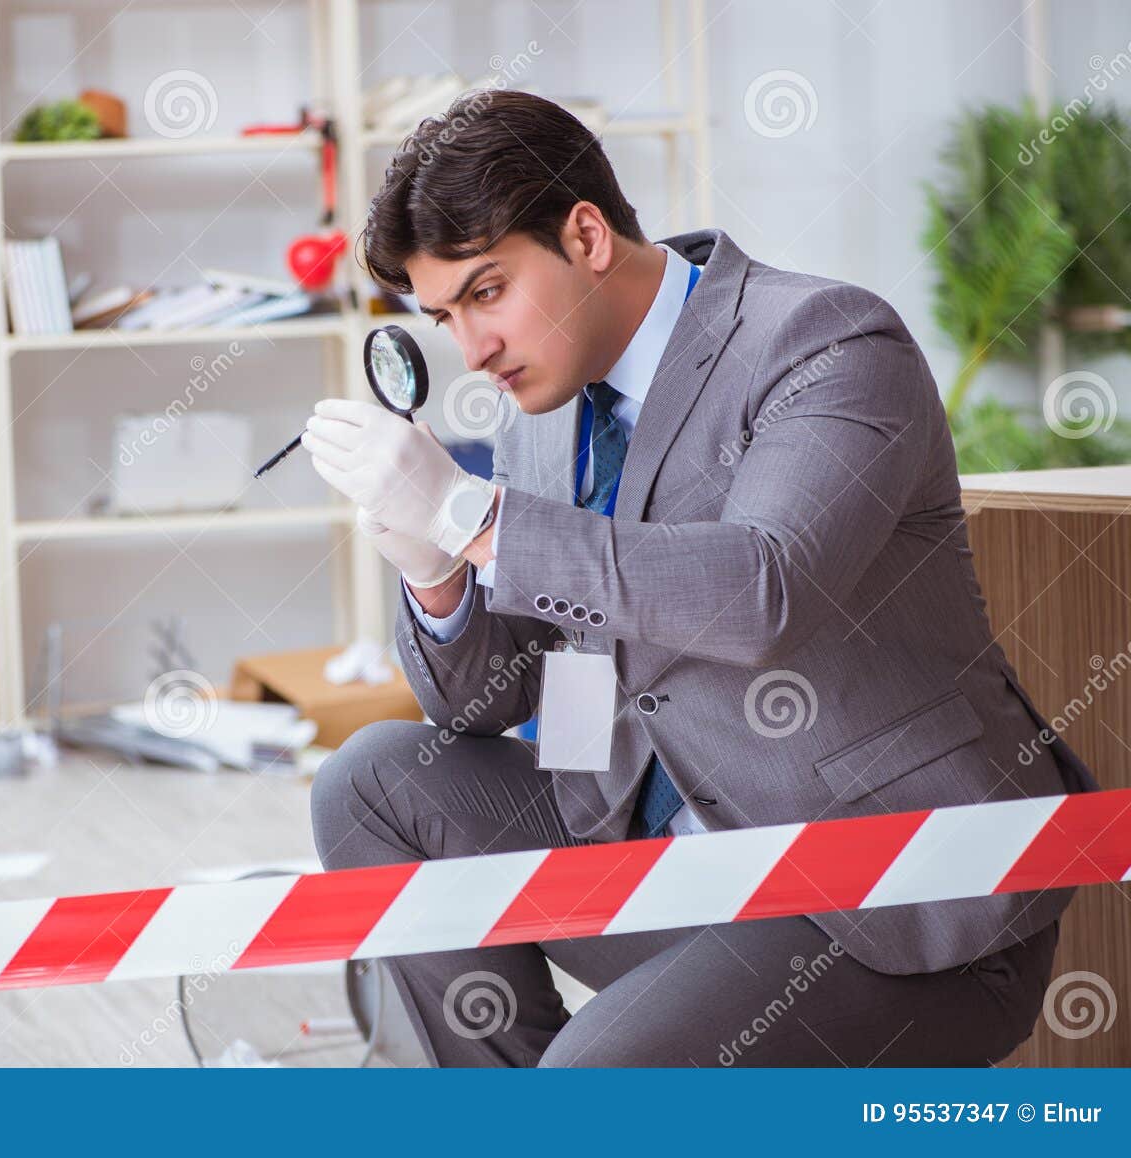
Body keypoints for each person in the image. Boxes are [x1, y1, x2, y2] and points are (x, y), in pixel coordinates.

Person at [299, 89, 1098, 1067]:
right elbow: (486, 701)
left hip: (880, 897)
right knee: (370, 782)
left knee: (595, 1079)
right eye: (441, 316)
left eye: (486, 292)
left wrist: (473, 517)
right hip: (667, 870)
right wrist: (435, 575)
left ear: (585, 234)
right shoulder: (542, 407)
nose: (472, 347)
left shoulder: (827, 344)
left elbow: (767, 587)